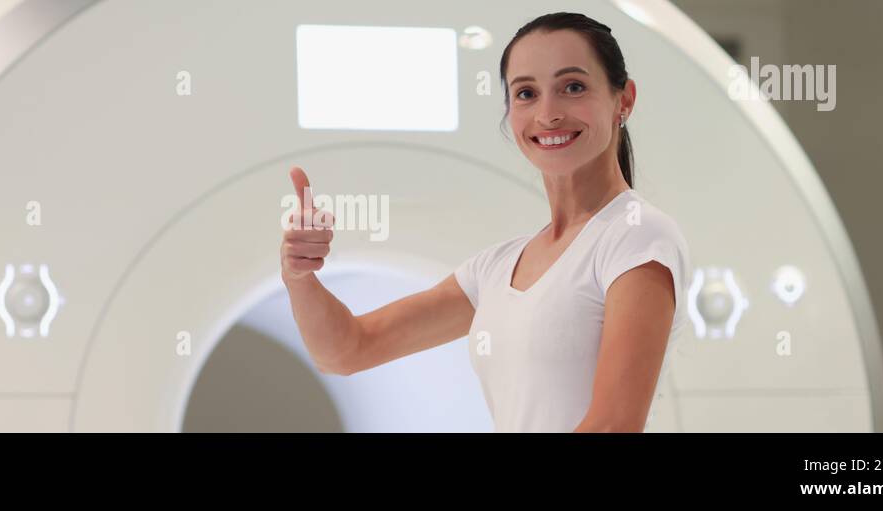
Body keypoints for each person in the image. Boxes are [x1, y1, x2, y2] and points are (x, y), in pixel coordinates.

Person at [279, 12, 690, 432]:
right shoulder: (494, 269)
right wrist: (299, 275)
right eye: (527, 93)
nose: (548, 114)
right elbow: (347, 350)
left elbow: (613, 424)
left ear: (624, 100)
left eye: (573, 87)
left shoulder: (636, 235)